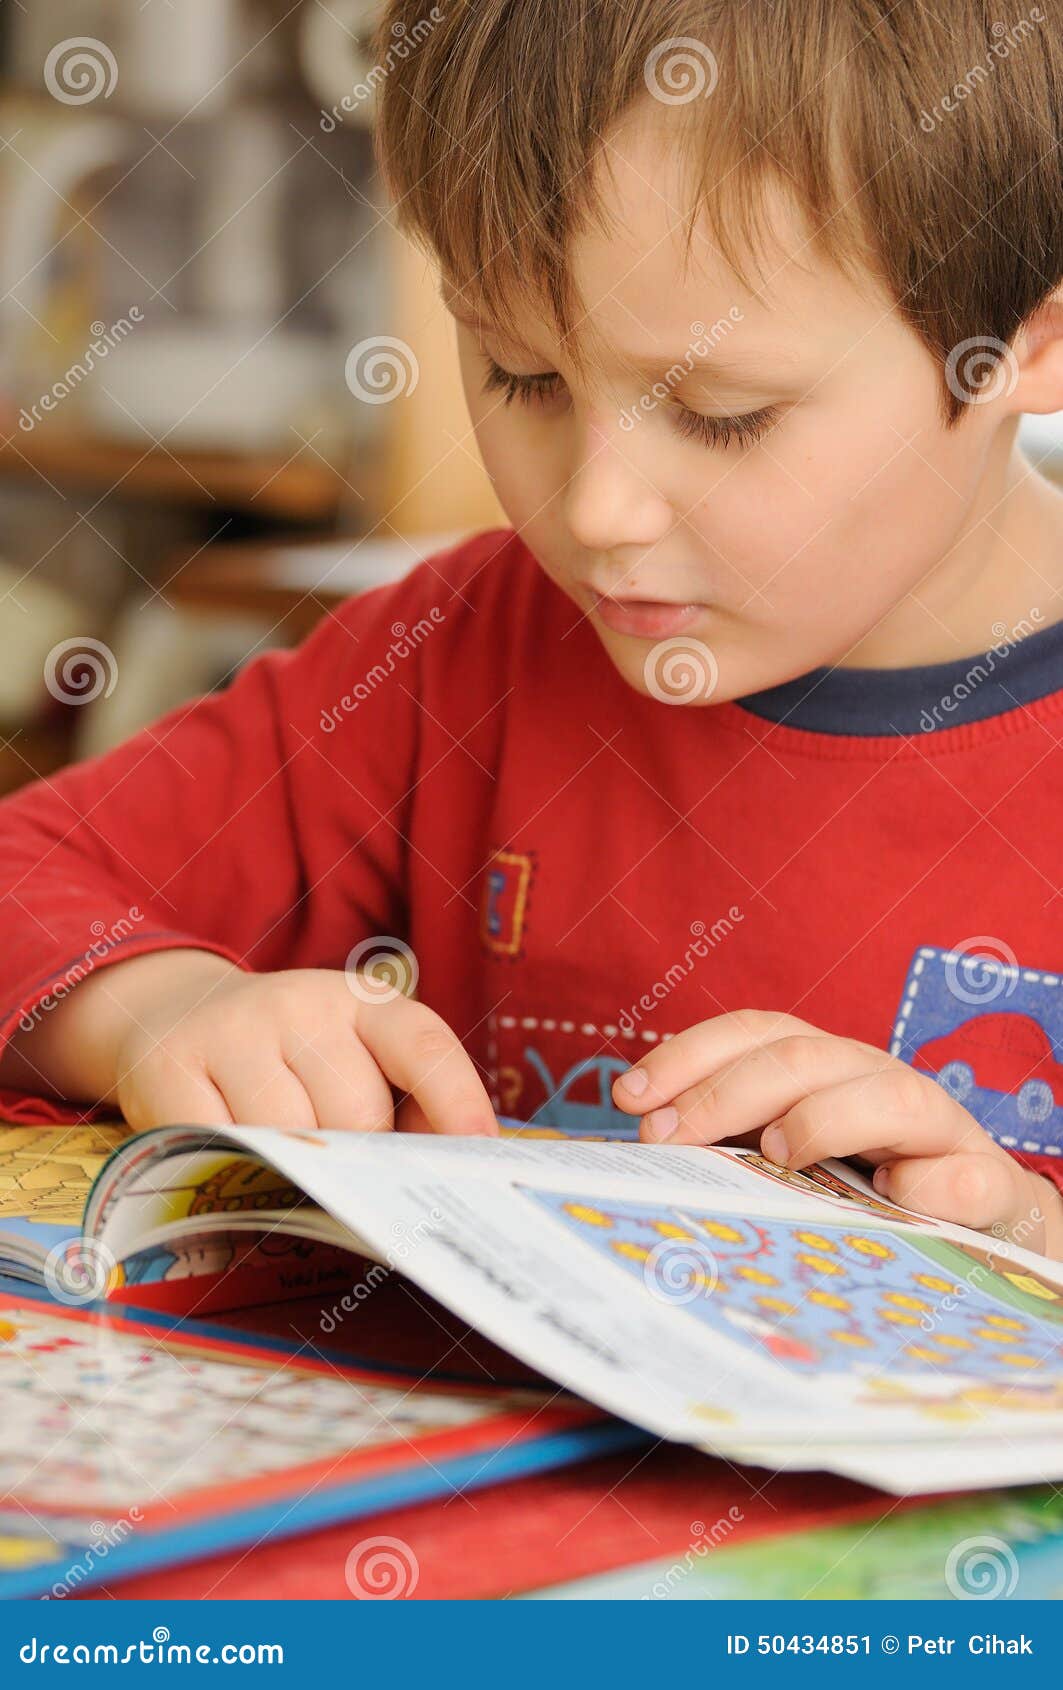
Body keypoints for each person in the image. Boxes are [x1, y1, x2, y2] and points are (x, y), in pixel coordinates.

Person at [2, 2, 1063, 1257]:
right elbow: (32, 877)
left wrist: (1024, 1240)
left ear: (1028, 341)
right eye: (521, 375)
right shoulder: (459, 656)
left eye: (724, 413)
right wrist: (159, 1008)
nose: (597, 511)